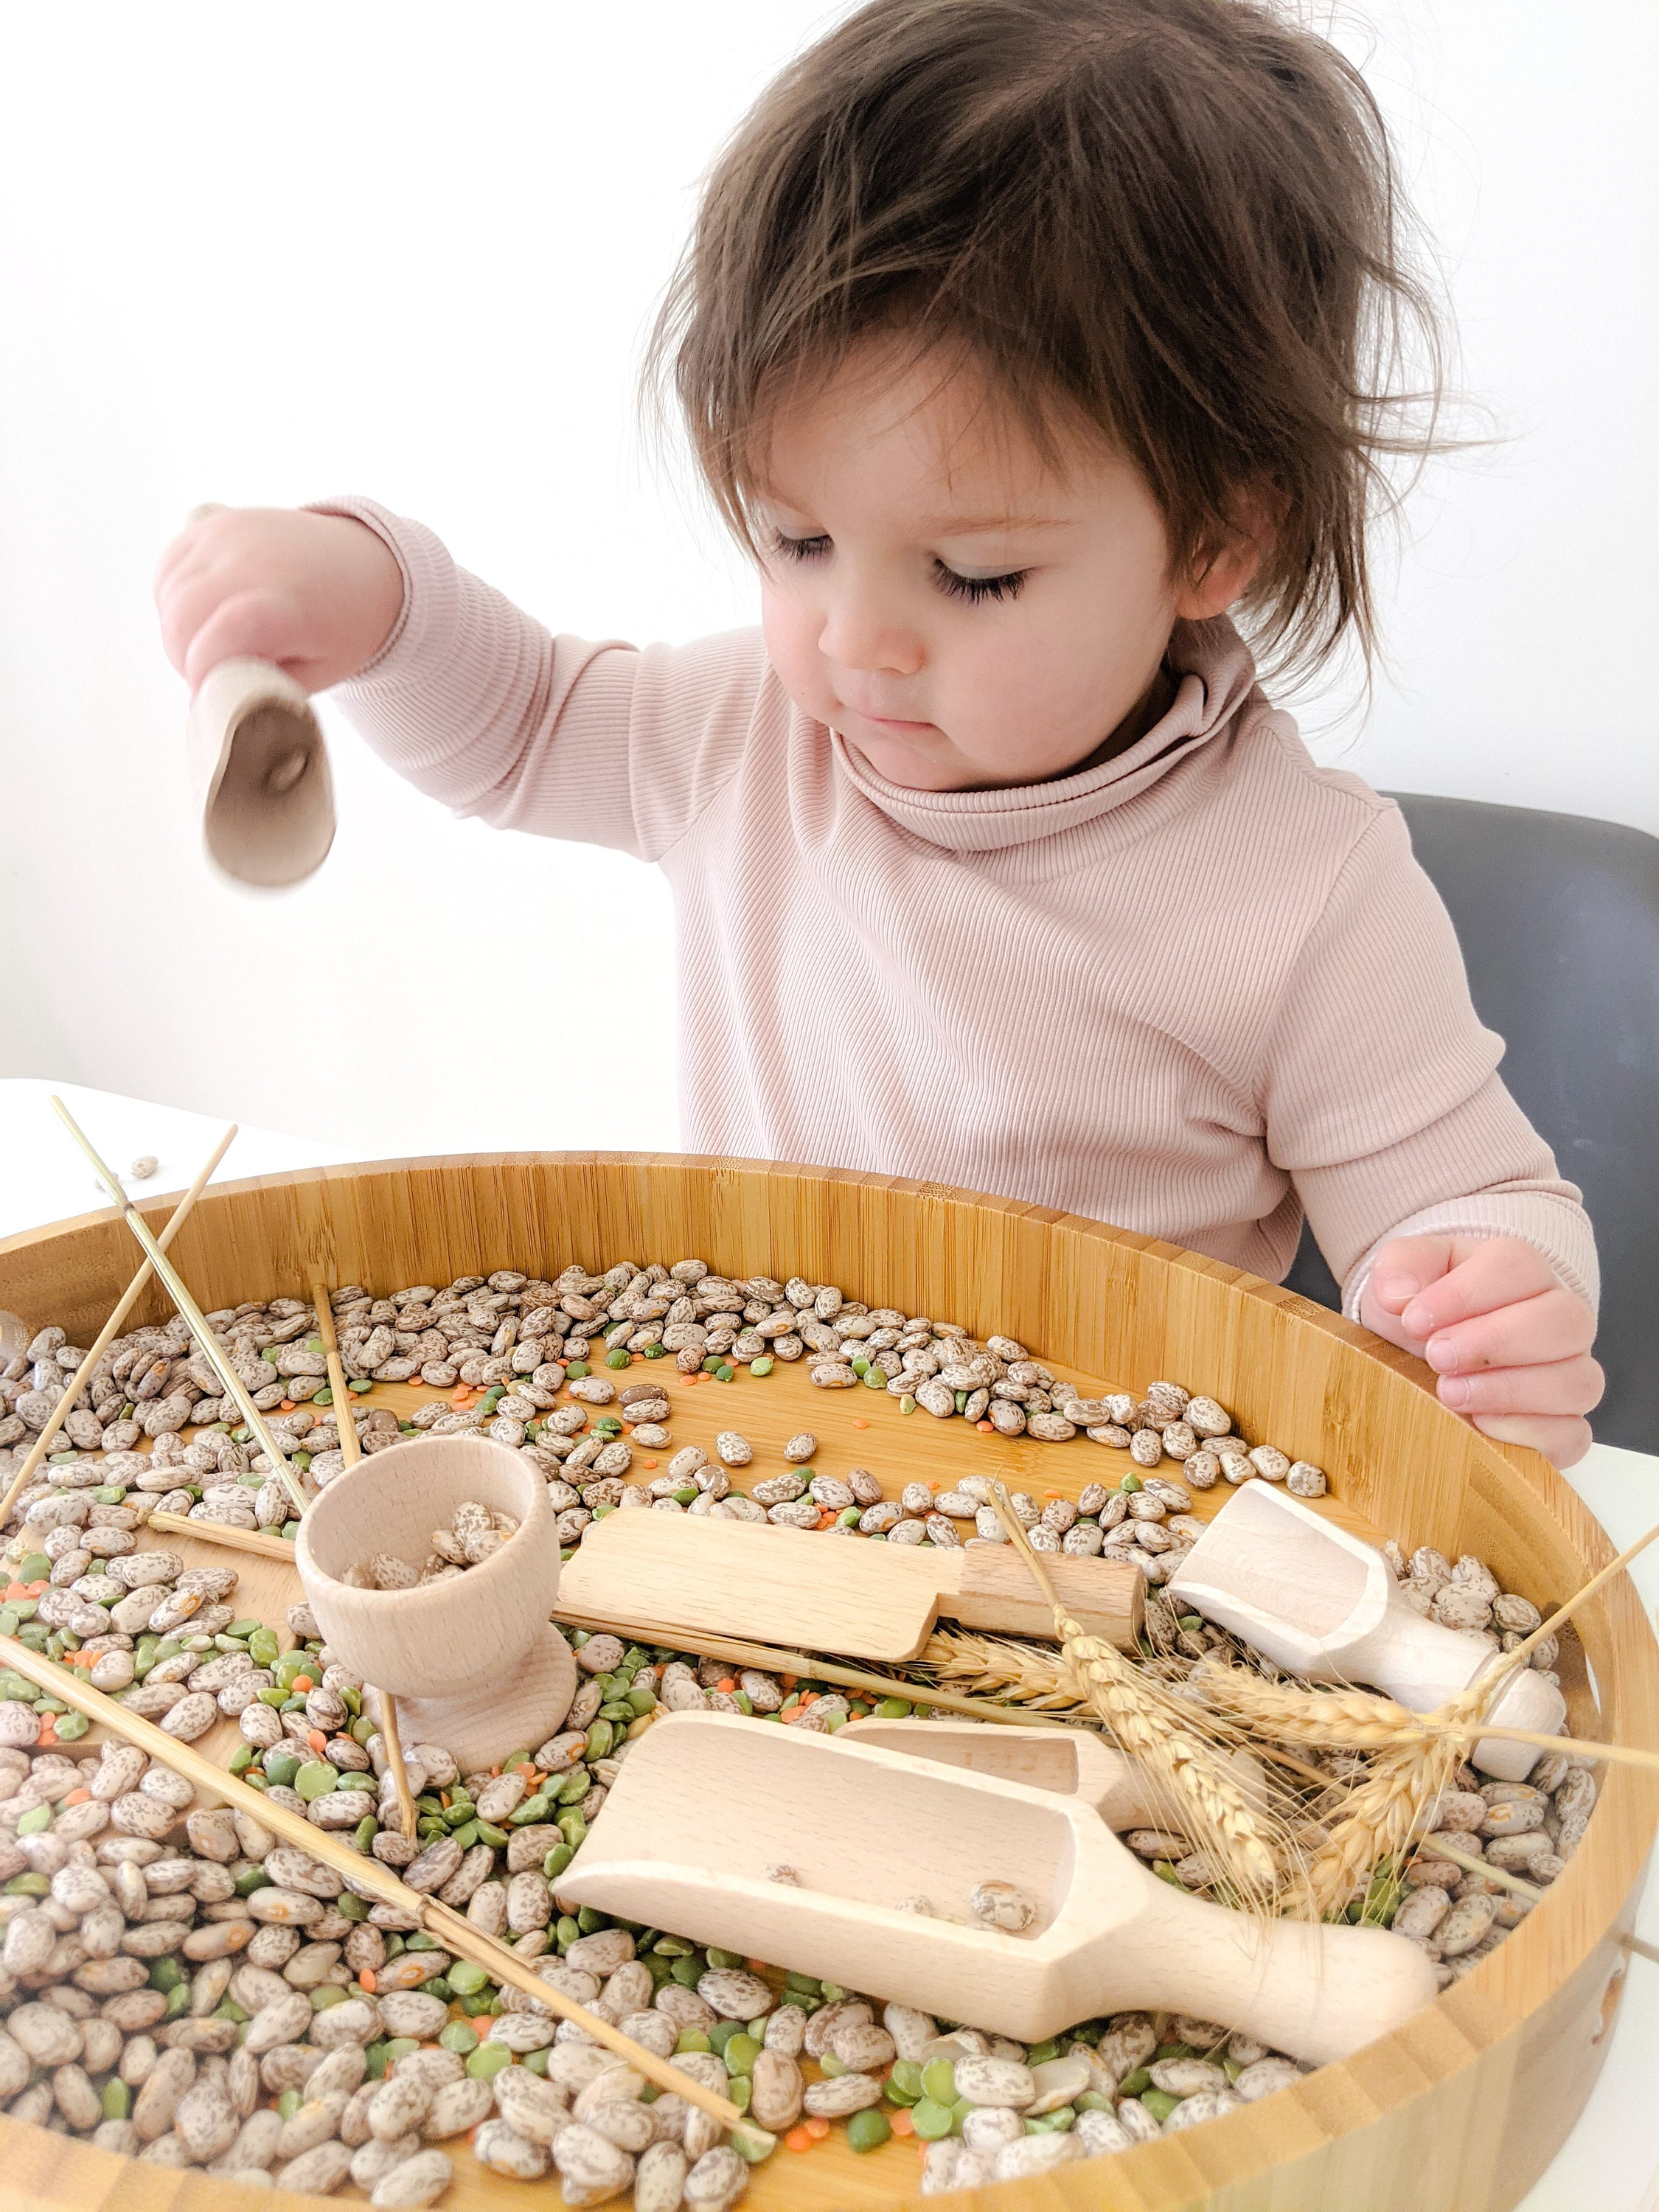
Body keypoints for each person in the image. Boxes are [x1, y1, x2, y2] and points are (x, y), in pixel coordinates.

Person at [154, 0, 1602, 1464]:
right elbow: (521, 725)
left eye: (972, 575)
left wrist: (1484, 1297)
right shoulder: (749, 733)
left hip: (1103, 1530)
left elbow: (1465, 1196)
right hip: (740, 1459)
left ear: (1215, 537)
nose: (853, 642)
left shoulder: (1308, 895)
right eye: (795, 540)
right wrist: (384, 597)